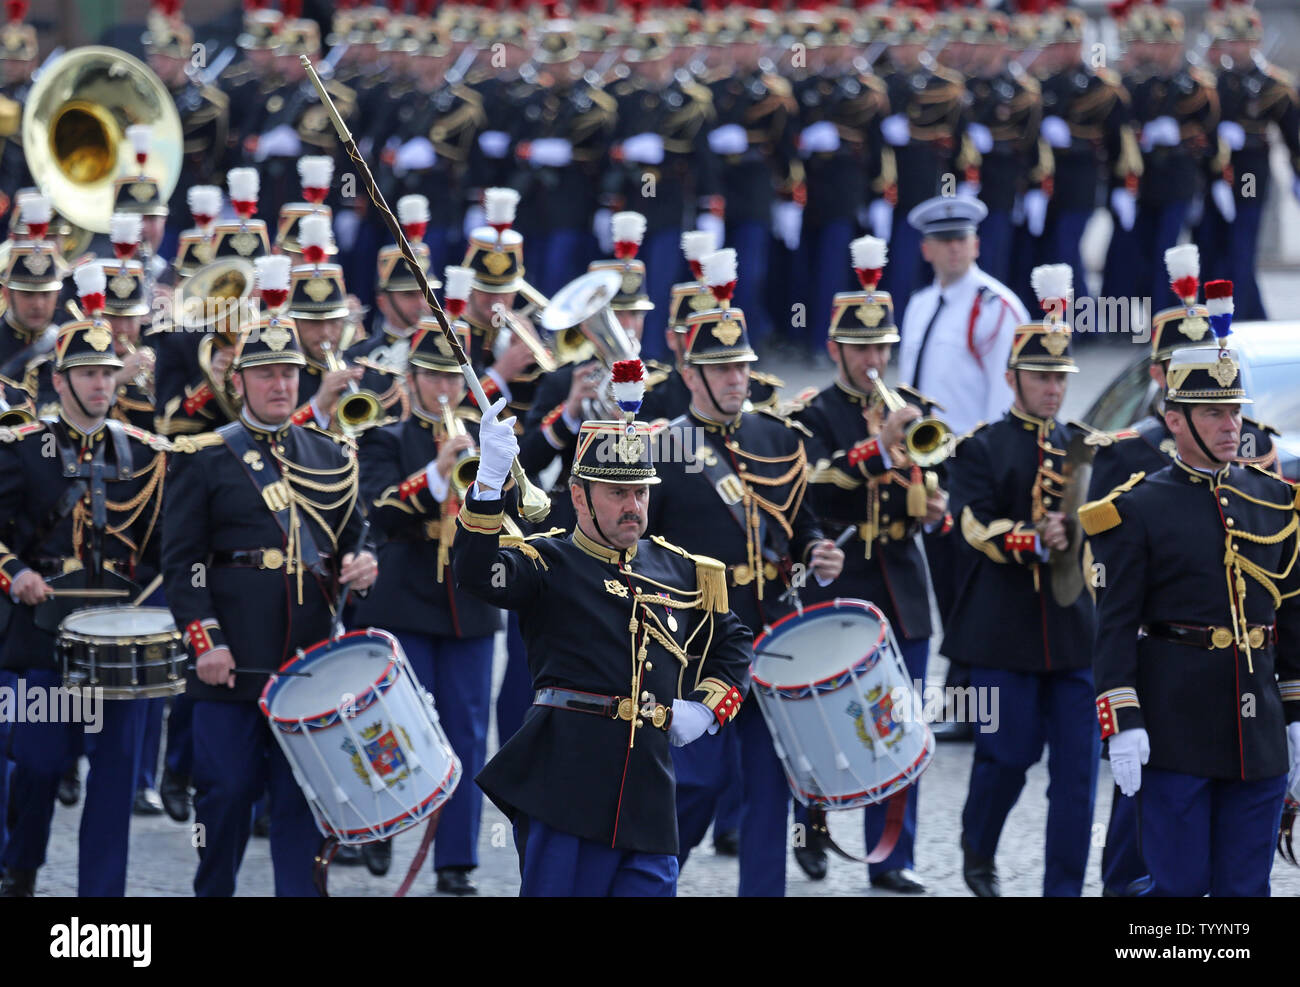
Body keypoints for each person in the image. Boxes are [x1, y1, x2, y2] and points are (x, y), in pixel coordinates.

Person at [450, 363, 753, 896]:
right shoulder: (548, 563)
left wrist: (705, 707)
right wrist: (490, 481)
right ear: (579, 493)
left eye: (640, 493)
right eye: (617, 493)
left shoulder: (681, 570)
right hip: (565, 786)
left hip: (650, 797)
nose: (632, 506)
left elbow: (734, 644)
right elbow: (476, 573)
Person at [645, 248, 844, 897]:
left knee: (772, 786)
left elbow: (802, 517)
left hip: (770, 634)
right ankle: (648, 881)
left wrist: (817, 549)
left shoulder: (778, 437)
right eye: (722, 367)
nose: (736, 378)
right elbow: (637, 543)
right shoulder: (662, 446)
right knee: (696, 783)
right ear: (689, 370)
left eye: (742, 366)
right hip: (693, 645)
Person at [161, 308, 377, 897]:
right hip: (229, 661)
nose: (280, 384)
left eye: (288, 373)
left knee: (302, 801)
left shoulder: (331, 455)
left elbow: (356, 535)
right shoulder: (203, 456)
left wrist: (364, 564)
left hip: (306, 662)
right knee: (226, 796)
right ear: (239, 384)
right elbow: (182, 562)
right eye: (266, 375)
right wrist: (205, 640)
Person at [1086, 264, 1281, 897]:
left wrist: (1297, 719)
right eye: (1215, 413)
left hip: (1258, 732)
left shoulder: (1273, 499)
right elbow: (1115, 624)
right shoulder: (1139, 507)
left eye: (1235, 412)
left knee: (1245, 891)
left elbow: (1293, 612)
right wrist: (1123, 717)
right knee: (1176, 890)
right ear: (1175, 420)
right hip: (1174, 726)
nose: (1233, 426)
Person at [791, 235, 950, 893]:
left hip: (903, 583)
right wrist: (878, 450)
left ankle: (892, 855)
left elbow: (936, 475)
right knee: (828, 718)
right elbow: (815, 486)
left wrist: (935, 504)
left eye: (883, 347)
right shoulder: (814, 413)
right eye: (863, 349)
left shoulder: (910, 403)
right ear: (836, 350)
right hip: (841, 580)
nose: (875, 359)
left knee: (900, 724)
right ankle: (813, 821)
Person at [0, 303, 170, 897]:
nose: (102, 383)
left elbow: (163, 544)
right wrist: (15, 570)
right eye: (88, 373)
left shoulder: (146, 452)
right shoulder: (22, 447)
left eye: (107, 372)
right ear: (59, 380)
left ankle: (103, 901)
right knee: (42, 762)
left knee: (115, 775)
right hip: (44, 629)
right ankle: (20, 864)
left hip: (120, 638)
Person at [944, 264, 1099, 897]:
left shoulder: (1087, 446)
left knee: (1078, 776)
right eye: (1042, 378)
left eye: (1061, 379)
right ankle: (977, 844)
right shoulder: (981, 447)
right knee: (1006, 757)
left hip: (1074, 633)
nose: (1053, 390)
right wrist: (1033, 539)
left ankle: (1061, 890)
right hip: (1003, 630)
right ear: (1012, 379)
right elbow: (973, 525)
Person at [353, 317, 503, 894]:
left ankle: (455, 860)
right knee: (395, 723)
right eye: (432, 377)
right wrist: (437, 475)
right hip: (403, 597)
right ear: (411, 378)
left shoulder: (484, 439)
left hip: (468, 602)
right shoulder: (386, 438)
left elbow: (505, 512)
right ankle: (382, 824)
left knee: (466, 731)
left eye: (452, 379)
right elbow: (378, 511)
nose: (443, 391)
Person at [897, 194, 1027, 740]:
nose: (954, 249)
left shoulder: (995, 307)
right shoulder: (922, 303)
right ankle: (963, 699)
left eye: (962, 239)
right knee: (947, 584)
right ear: (927, 248)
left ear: (976, 243)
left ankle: (981, 705)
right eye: (943, 241)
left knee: (977, 587)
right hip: (927, 463)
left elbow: (1007, 393)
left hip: (973, 463)